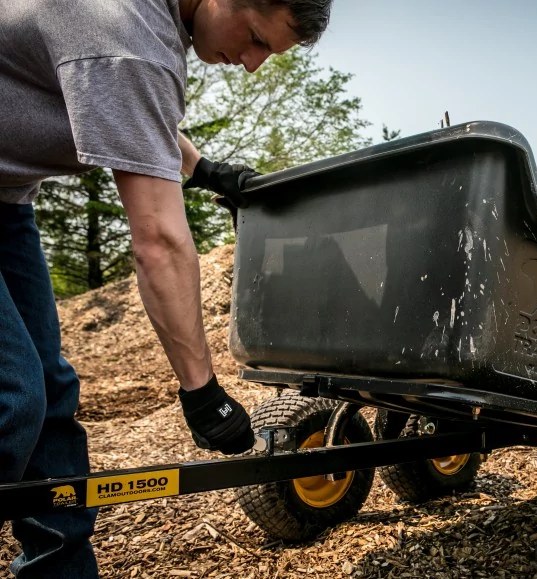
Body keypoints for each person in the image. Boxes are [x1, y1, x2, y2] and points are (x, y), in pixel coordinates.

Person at [0, 0, 333, 576]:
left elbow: (127, 107)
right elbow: (158, 242)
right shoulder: (128, 33)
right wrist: (201, 391)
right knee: (12, 399)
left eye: (268, 54)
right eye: (255, 38)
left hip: (5, 205)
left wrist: (205, 172)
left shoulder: (142, 24)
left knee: (50, 396)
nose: (252, 64)